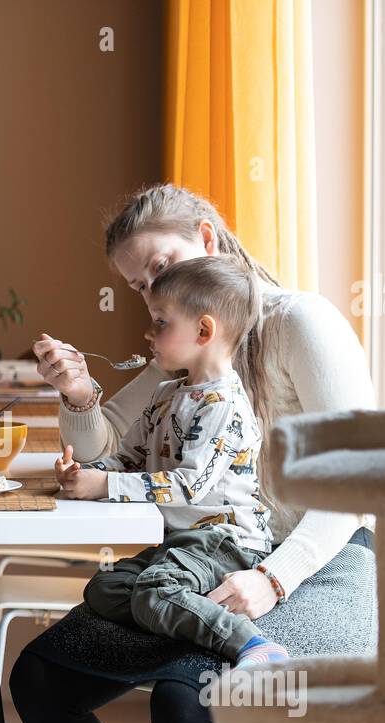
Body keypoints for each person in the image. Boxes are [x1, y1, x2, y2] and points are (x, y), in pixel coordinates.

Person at [12, 184, 377, 723]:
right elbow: (104, 443)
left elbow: (352, 485)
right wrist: (78, 393)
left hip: (316, 559)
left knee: (189, 702)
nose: (153, 288)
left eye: (158, 265)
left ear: (208, 239)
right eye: (138, 283)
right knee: (40, 677)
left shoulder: (301, 324)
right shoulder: (184, 348)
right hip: (213, 553)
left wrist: (272, 578)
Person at [57, 256, 288, 666]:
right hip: (183, 542)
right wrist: (87, 474)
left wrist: (103, 488)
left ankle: (253, 646)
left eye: (161, 322)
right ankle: (179, 615)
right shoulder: (166, 393)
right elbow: (130, 459)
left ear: (203, 330)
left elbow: (189, 486)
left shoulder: (224, 405)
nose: (148, 332)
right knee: (105, 589)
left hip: (227, 542)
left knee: (153, 592)